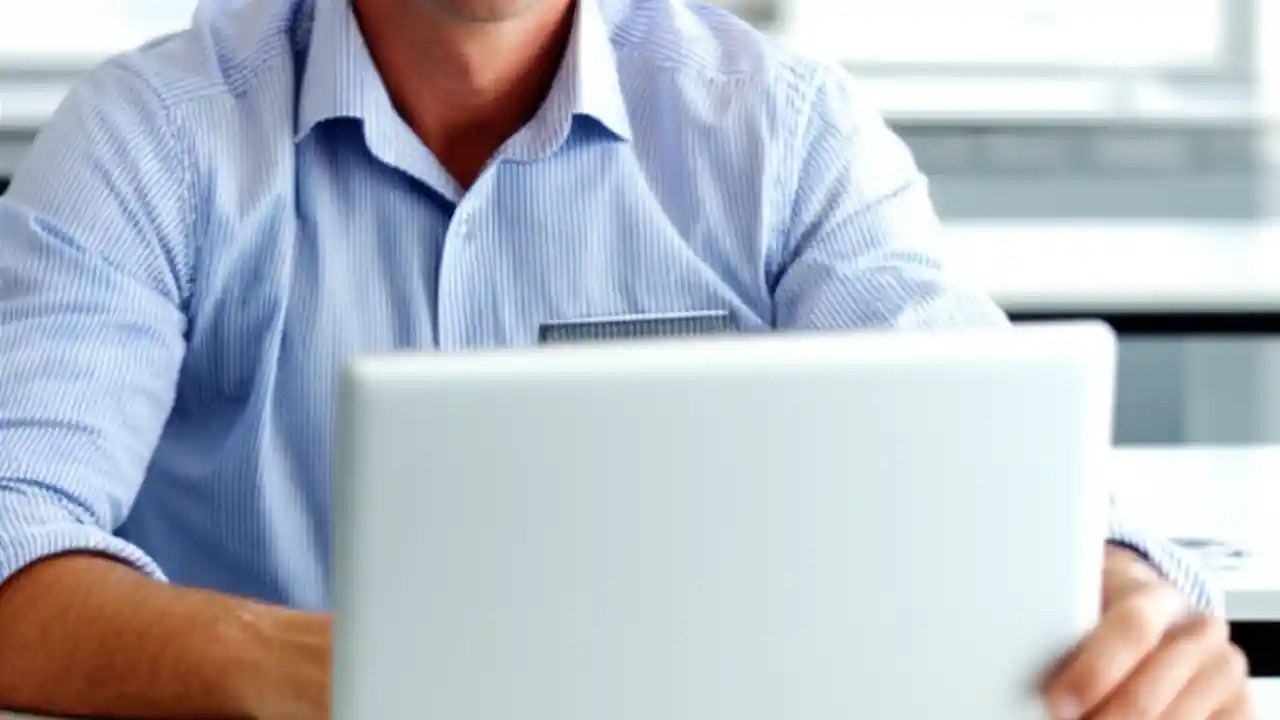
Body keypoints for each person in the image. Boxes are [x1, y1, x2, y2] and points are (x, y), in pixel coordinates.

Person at [0, 0, 1252, 717]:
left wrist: (1119, 599)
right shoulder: (150, 140)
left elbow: (992, 473)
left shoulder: (777, 131)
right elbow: (12, 536)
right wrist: (327, 673)